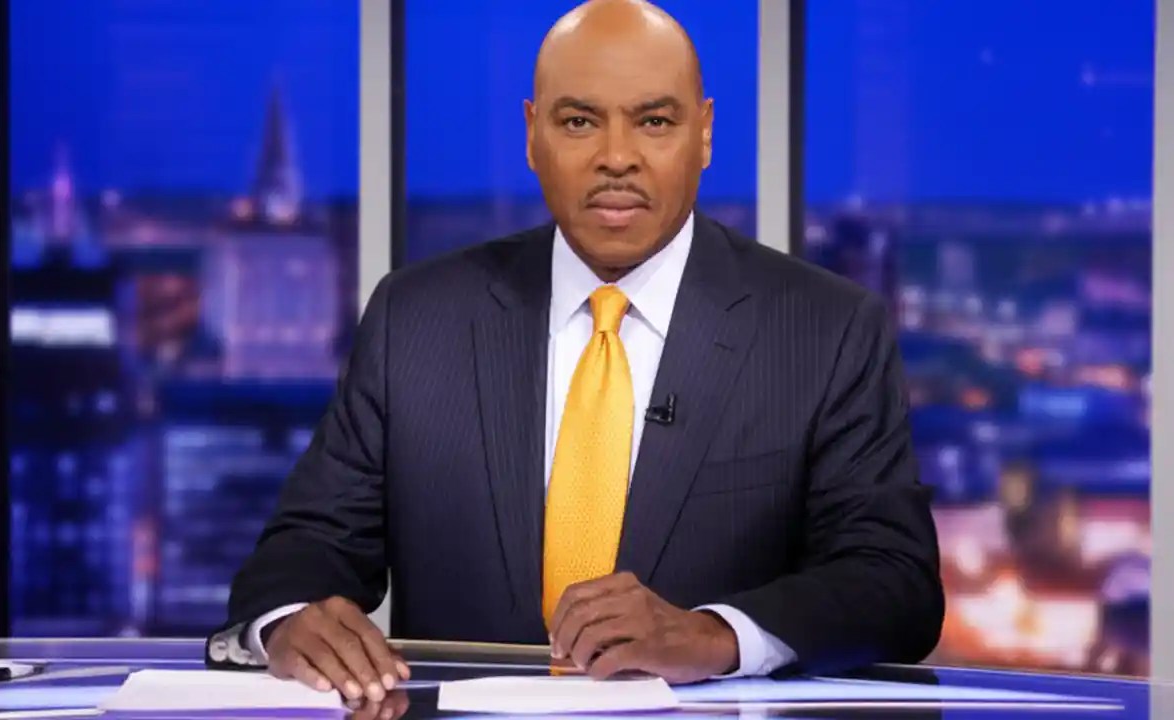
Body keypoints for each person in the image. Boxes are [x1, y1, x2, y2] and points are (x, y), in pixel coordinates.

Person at [206, 0, 943, 701]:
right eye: (580, 121)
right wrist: (288, 620)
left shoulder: (822, 329)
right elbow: (306, 547)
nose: (616, 157)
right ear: (533, 134)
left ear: (705, 133)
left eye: (654, 121)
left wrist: (715, 634)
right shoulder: (418, 318)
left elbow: (893, 583)